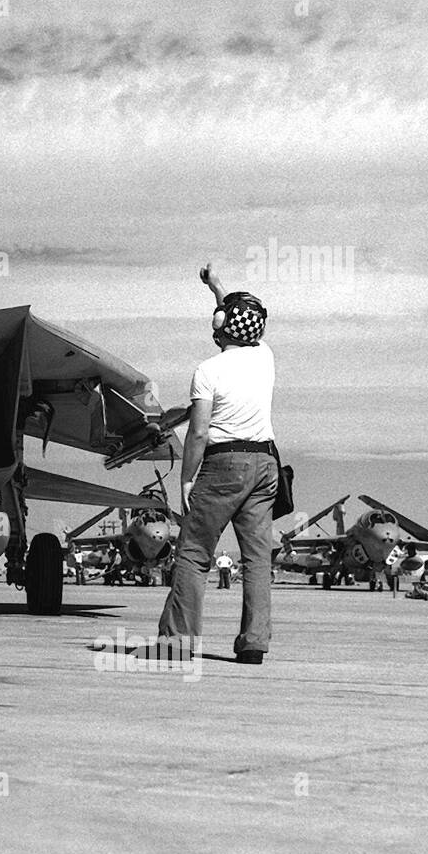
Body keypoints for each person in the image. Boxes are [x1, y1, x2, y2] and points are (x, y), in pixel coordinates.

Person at [159, 263, 277, 664]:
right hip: (264, 464)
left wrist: (186, 480)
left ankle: (177, 642)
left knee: (193, 552)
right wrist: (217, 286)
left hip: (224, 465)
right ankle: (254, 644)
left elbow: (197, 432)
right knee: (258, 558)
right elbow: (239, 314)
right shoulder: (264, 356)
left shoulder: (207, 371)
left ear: (221, 324)